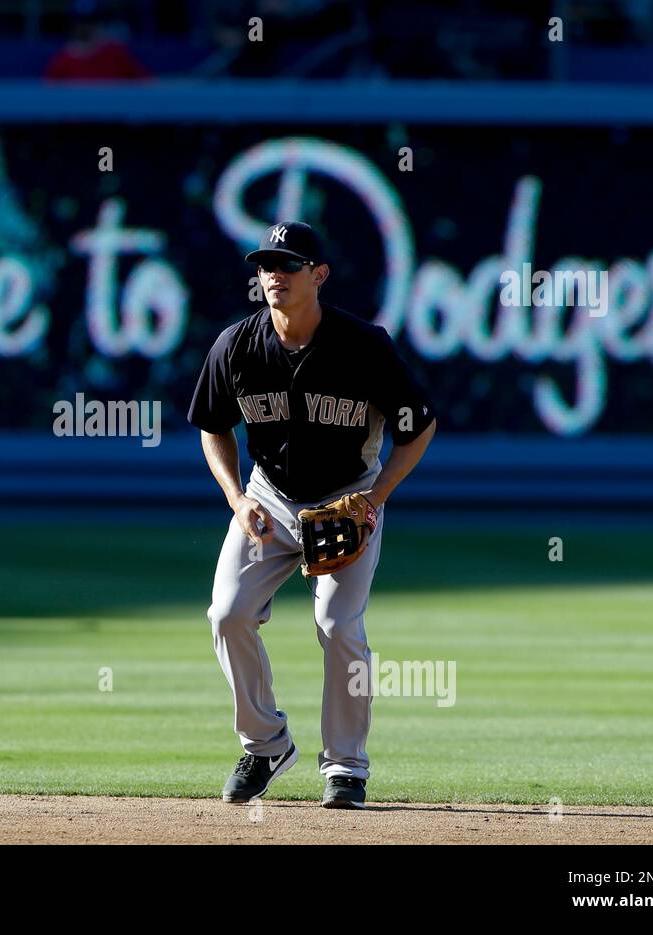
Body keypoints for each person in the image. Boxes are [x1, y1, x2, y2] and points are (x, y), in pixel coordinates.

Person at [187, 221, 437, 808]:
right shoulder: (236, 346)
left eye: (289, 264)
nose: (274, 274)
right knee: (227, 613)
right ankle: (265, 744)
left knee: (338, 625)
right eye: (266, 264)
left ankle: (346, 769)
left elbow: (418, 426)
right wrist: (236, 498)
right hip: (268, 497)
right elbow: (213, 427)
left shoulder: (363, 345)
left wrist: (375, 499)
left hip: (348, 496)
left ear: (318, 275)